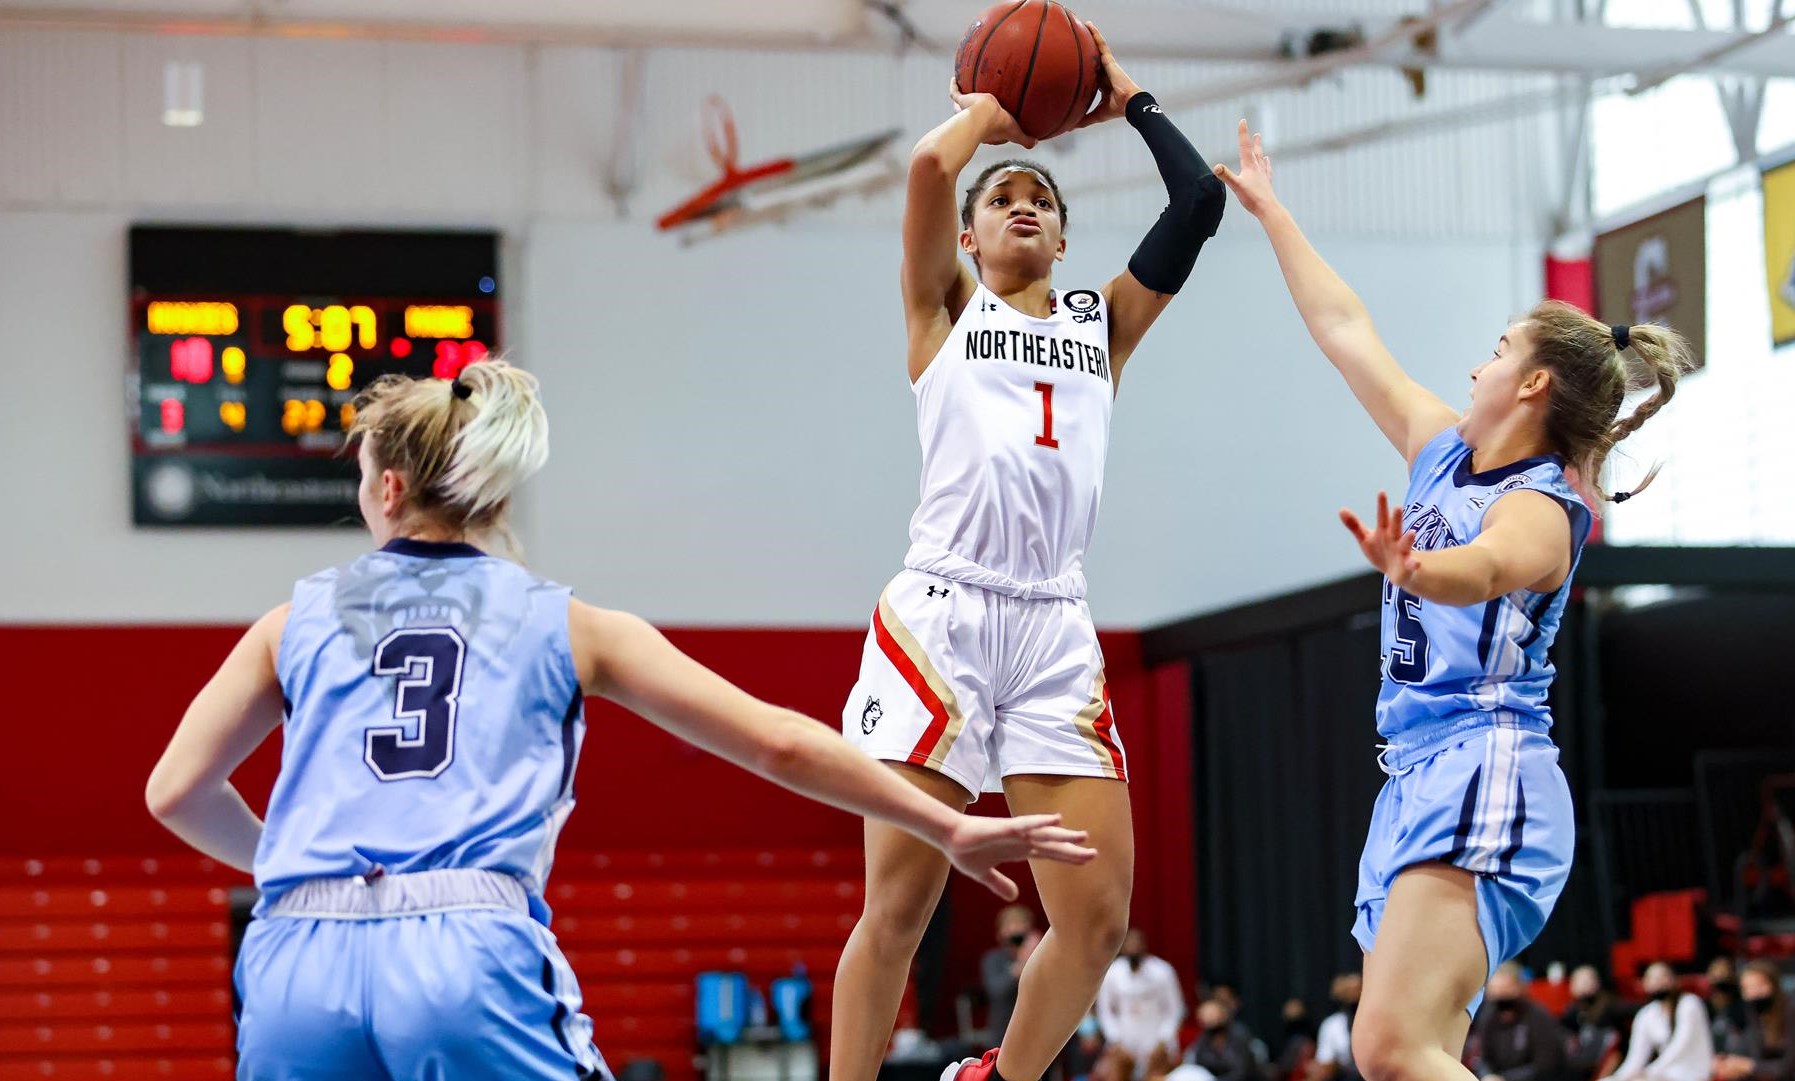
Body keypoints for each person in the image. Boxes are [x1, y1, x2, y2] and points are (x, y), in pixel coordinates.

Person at [143, 362, 1096, 1080]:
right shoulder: (568, 623)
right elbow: (775, 738)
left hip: (295, 953)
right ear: (491, 492)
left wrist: (299, 865)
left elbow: (176, 791)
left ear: (387, 488)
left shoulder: (292, 621)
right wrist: (942, 823)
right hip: (463, 946)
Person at [1212, 121, 1692, 1081]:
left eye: (1496, 349)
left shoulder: (1544, 508)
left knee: (1387, 1046)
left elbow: (1487, 566)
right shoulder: (1440, 451)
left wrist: (1418, 570)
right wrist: (1271, 214)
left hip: (1486, 763)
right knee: (1406, 1053)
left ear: (1533, 382)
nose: (1476, 366)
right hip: (1414, 775)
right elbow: (1346, 331)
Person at [833, 22, 1225, 1081]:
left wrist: (1128, 99)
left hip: (1053, 623)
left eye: (1041, 200)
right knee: (899, 906)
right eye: (1002, 198)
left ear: (1061, 239)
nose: (1022, 204)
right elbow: (929, 167)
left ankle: (998, 1080)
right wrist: (992, 115)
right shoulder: (943, 313)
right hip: (943, 614)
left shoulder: (1103, 325)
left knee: (1096, 922)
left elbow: (1198, 202)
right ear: (966, 239)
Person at [1098, 929, 1189, 1074]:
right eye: (1129, 944)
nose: (1133, 947)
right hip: (1124, 1041)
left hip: (1156, 1039)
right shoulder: (1112, 973)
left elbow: (1176, 1010)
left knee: (1158, 1070)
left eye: (1137, 944)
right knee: (1113, 1069)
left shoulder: (1162, 971)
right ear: (1122, 947)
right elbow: (1105, 1011)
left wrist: (1164, 1039)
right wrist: (1116, 1040)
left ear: (1144, 945)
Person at [1605, 963, 1712, 1081]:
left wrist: (1649, 1071)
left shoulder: (1690, 1004)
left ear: (1674, 979)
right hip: (1663, 1073)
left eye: (1663, 977)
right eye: (1652, 978)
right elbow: (1635, 1058)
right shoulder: (1646, 1014)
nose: (1658, 982)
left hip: (1692, 1073)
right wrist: (1617, 1078)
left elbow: (1680, 1046)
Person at [1471, 964, 1567, 1081]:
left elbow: (1545, 1064)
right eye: (1495, 991)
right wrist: (1487, 1076)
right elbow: (1482, 1058)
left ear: (1519, 988)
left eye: (1506, 990)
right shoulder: (1487, 1017)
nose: (1500, 996)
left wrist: (1505, 1078)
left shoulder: (1537, 1016)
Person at [984, 904, 1044, 1045]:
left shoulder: (1040, 959)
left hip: (1037, 1031)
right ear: (1000, 935)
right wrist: (1022, 962)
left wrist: (1039, 953)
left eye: (1019, 926)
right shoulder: (993, 959)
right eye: (1010, 927)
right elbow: (997, 991)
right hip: (1004, 1033)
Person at [1561, 964, 1633, 1081]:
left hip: (1601, 1061)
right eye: (1581, 982)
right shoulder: (1573, 1009)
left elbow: (1634, 1009)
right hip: (1581, 1060)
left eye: (1588, 981)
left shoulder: (1609, 1004)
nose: (1585, 985)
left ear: (1597, 983)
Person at [1189, 997, 1260, 1081]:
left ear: (1224, 1014)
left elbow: (1243, 1071)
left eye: (1212, 1014)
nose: (1208, 1018)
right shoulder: (1203, 1039)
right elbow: (1199, 1067)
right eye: (1204, 1014)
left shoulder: (1239, 1034)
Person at [1310, 974, 1365, 1081]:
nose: (1354, 995)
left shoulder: (1377, 1020)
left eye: (1358, 989)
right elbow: (1326, 1062)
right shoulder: (1332, 1025)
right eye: (1349, 991)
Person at [1702, 957, 1749, 1054]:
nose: (1720, 979)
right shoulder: (1705, 1003)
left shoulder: (1741, 1002)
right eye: (1716, 976)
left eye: (1724, 975)